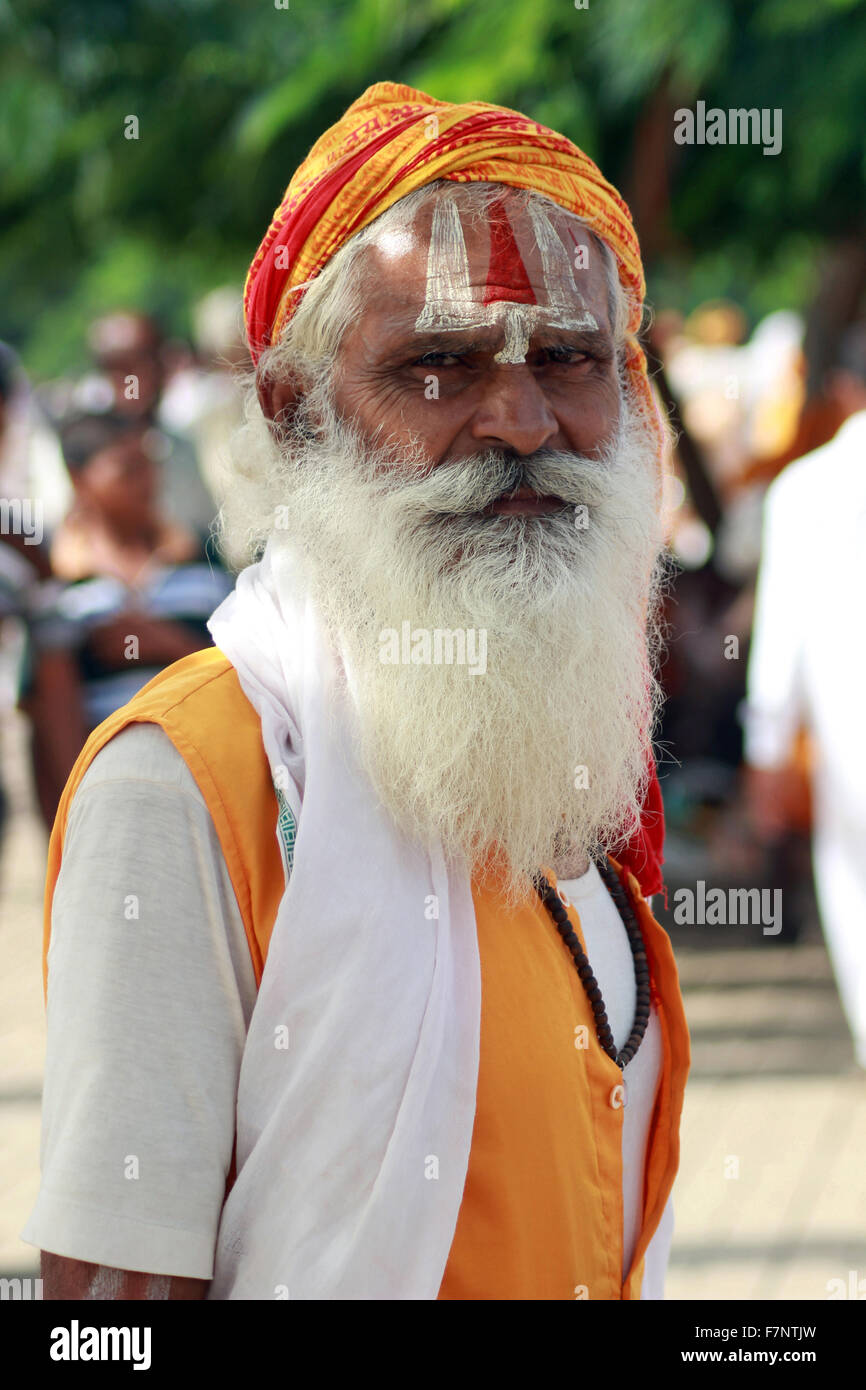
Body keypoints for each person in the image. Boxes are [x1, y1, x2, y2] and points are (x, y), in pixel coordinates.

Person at [24, 82, 689, 1301]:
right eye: (437, 363)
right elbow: (100, 1319)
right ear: (296, 413)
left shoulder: (565, 759)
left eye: (567, 358)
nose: (521, 419)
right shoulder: (187, 784)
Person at [744, 324, 866, 1067]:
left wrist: (766, 748)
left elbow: (779, 637)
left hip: (849, 740)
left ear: (844, 389)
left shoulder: (808, 486)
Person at [24, 412, 233, 823]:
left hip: (212, 791)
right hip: (108, 805)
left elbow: (245, 673)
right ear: (79, 478)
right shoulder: (62, 592)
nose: (149, 480)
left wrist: (170, 645)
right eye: (127, 469)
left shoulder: (204, 565)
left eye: (150, 465)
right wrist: (71, 821)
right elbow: (47, 722)